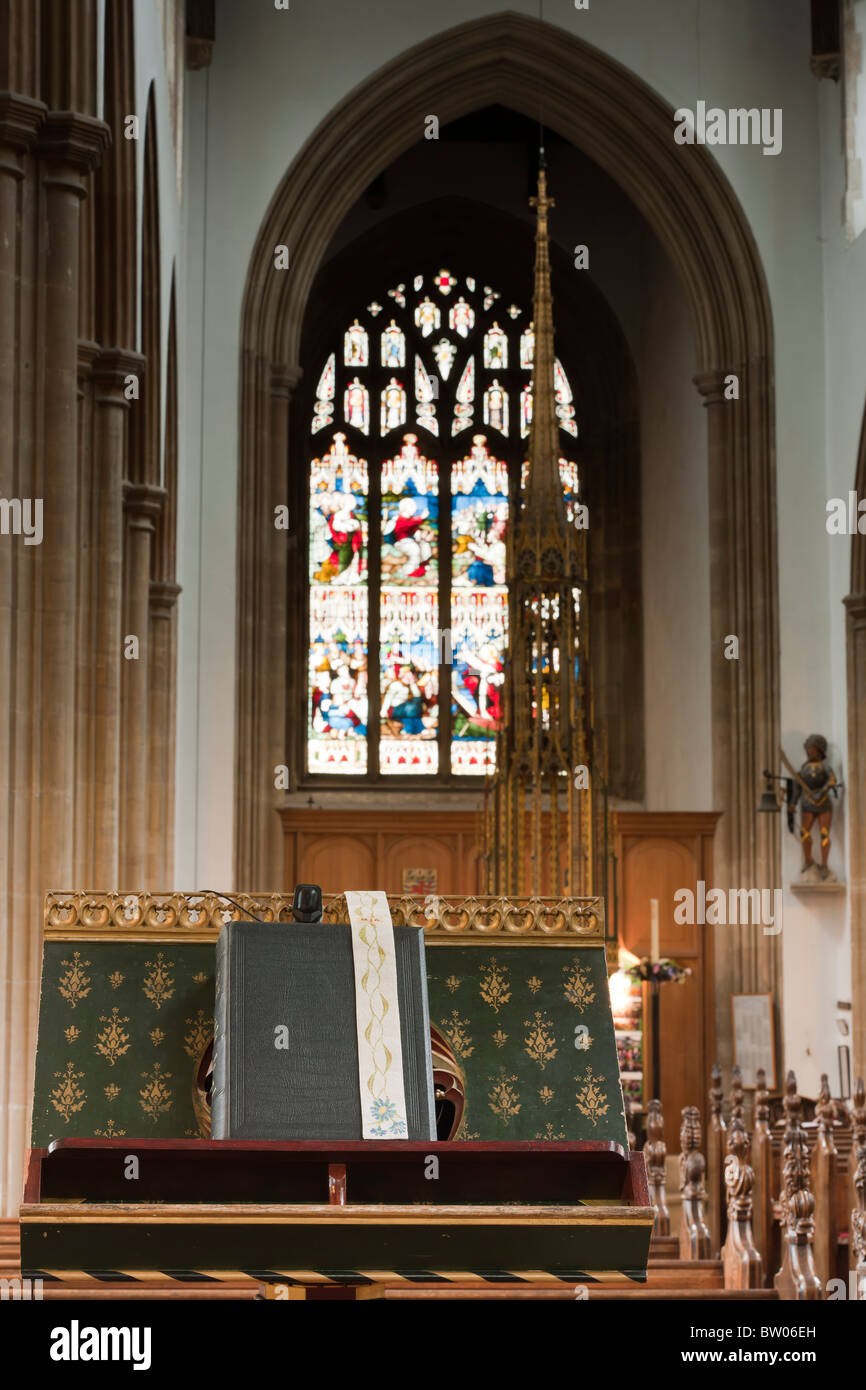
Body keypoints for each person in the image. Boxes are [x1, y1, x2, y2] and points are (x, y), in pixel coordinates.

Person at [792, 734, 839, 883]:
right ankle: (808, 859)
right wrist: (792, 803)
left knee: (824, 834)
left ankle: (824, 866)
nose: (808, 752)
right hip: (807, 802)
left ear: (818, 750)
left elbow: (831, 780)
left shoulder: (824, 767)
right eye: (807, 749)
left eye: (811, 749)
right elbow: (797, 786)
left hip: (823, 801)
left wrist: (822, 791)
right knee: (805, 833)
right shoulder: (804, 768)